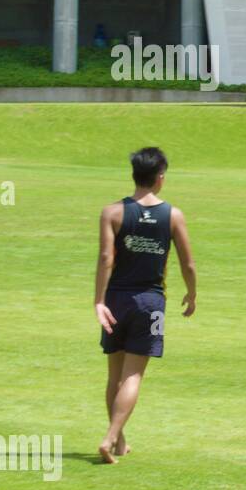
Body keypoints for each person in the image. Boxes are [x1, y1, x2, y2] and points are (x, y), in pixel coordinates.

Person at [94, 147, 197, 463]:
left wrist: (98, 300)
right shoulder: (173, 215)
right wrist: (192, 294)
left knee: (115, 375)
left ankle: (120, 441)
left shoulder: (112, 212)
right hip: (150, 301)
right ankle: (111, 437)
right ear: (160, 178)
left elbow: (106, 258)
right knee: (134, 376)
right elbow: (187, 263)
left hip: (116, 299)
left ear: (134, 175)